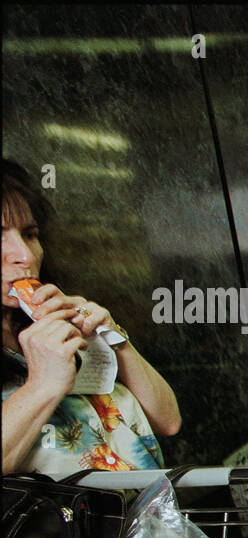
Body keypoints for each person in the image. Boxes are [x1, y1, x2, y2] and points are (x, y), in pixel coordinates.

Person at [2, 159, 181, 475]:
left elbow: (168, 421)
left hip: (146, 517)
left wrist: (112, 337)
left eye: (30, 234)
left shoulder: (57, 324)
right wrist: (43, 384)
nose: (25, 256)